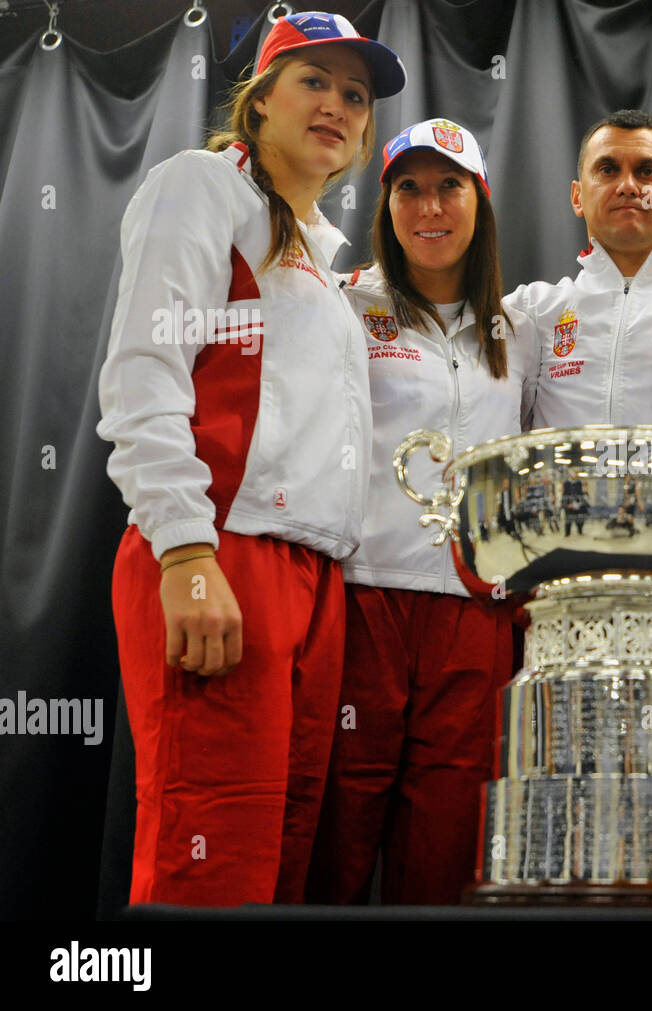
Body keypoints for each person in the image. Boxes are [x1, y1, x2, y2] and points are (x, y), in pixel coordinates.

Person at [96, 11, 404, 906]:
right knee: (213, 859)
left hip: (314, 578)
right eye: (314, 82)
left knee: (277, 857)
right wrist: (186, 551)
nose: (338, 107)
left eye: (355, 96)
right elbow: (143, 374)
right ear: (260, 99)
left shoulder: (318, 259)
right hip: (222, 550)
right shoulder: (201, 187)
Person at [304, 119, 537, 905]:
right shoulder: (341, 305)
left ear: (481, 201)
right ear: (385, 202)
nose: (429, 206)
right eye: (409, 186)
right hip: (363, 600)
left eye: (449, 186)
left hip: (476, 614)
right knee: (335, 837)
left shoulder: (516, 329)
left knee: (445, 855)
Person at [515, 109, 652, 432]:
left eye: (647, 171)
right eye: (607, 170)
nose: (628, 186)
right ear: (577, 197)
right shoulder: (530, 311)